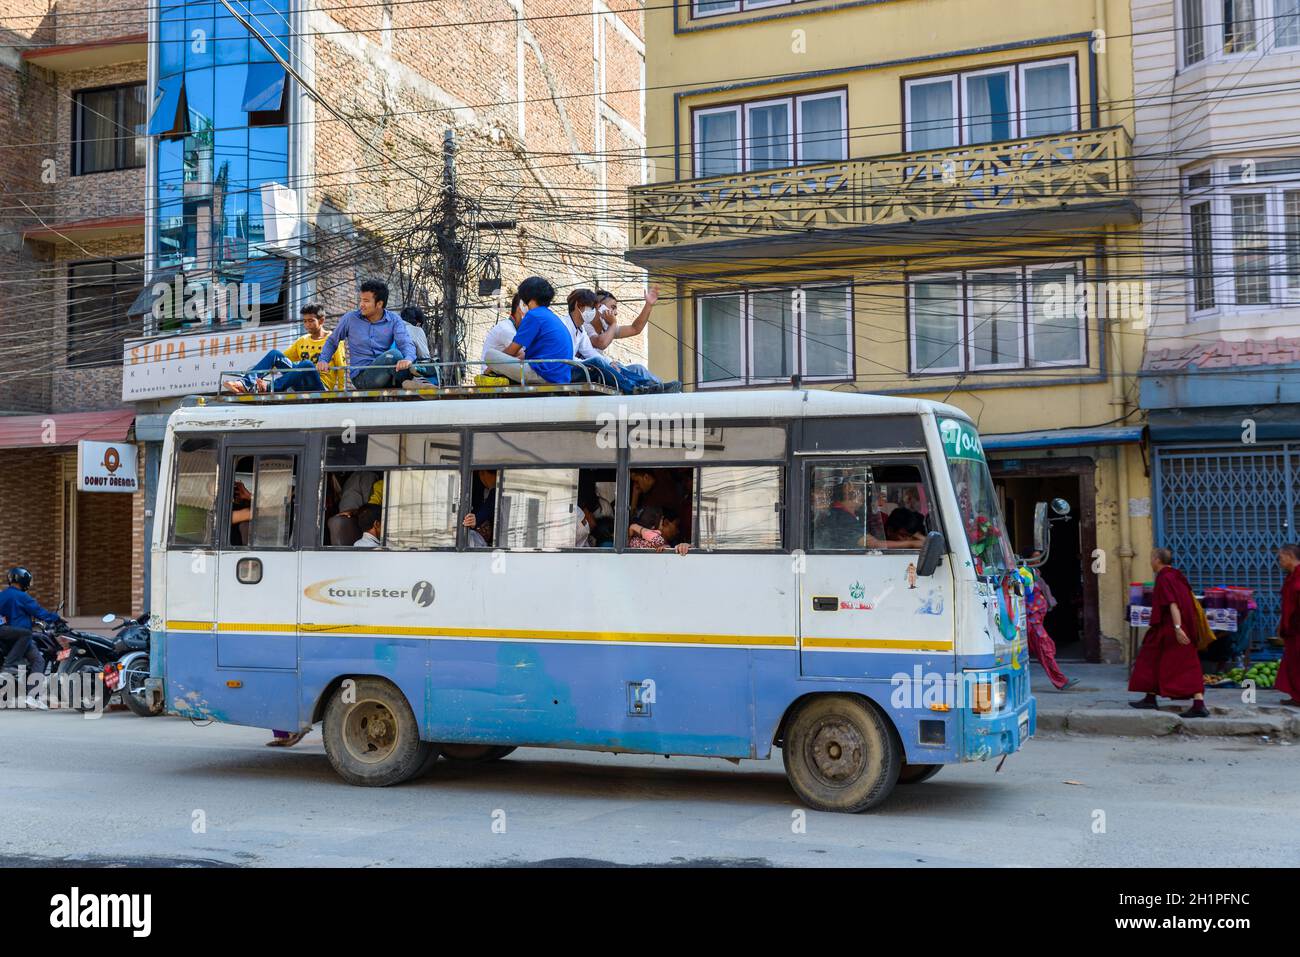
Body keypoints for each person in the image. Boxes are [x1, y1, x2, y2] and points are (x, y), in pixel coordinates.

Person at [1129, 547, 1208, 717]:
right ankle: (1150, 698)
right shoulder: (1177, 575)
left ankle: (1199, 704)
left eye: (1151, 558)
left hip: (1173, 629)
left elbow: (1173, 603)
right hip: (1167, 629)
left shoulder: (1165, 578)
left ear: (1157, 560)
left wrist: (1178, 628)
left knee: (1186, 665)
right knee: (1152, 659)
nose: (1150, 562)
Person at [223, 304, 347, 394]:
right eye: (304, 321)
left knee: (306, 364)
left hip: (320, 387)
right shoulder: (302, 340)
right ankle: (244, 383)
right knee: (275, 354)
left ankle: (270, 387)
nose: (307, 325)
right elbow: (282, 360)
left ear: (321, 320)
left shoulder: (333, 340)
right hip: (299, 383)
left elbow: (341, 367)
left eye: (311, 321)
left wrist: (341, 393)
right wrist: (259, 373)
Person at [317, 279, 418, 389]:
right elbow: (332, 341)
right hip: (362, 378)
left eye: (366, 301)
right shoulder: (350, 318)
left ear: (379, 304)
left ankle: (411, 381)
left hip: (386, 375)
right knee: (393, 355)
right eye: (361, 300)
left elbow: (405, 343)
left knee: (403, 358)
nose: (361, 305)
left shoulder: (394, 320)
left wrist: (408, 359)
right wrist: (323, 360)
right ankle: (412, 381)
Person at [588, 288, 682, 393]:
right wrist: (613, 324)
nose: (616, 313)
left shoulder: (607, 329)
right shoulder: (586, 326)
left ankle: (661, 388)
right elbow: (601, 343)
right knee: (626, 368)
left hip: (605, 369)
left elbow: (635, 329)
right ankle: (659, 390)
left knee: (638, 369)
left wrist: (648, 305)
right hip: (593, 373)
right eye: (613, 308)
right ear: (599, 307)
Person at [497, 276, 575, 384]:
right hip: (560, 376)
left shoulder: (533, 315)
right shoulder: (551, 316)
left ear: (530, 298)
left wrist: (491, 368)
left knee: (490, 355)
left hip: (543, 374)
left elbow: (512, 350)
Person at [565, 289, 643, 393]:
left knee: (611, 363)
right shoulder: (563, 325)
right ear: (578, 306)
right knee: (597, 362)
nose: (594, 311)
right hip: (567, 370)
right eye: (592, 308)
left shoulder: (581, 330)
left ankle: (644, 384)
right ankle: (632, 388)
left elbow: (590, 353)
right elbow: (566, 357)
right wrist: (589, 363)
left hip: (578, 367)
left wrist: (610, 363)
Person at [1020, 565, 1078, 691]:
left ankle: (1060, 681)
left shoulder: (1031, 576)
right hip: (1033, 624)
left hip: (1034, 623)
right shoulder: (1025, 577)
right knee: (1045, 653)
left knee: (1040, 654)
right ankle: (1061, 681)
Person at [0, 567, 62, 674]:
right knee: (38, 661)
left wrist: (32, 623)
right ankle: (32, 689)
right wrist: (56, 618)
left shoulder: (3, 595)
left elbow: (13, 615)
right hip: (19, 637)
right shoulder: (22, 596)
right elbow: (39, 611)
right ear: (24, 580)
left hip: (8, 637)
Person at [480, 292, 528, 383]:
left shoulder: (512, 328)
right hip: (491, 375)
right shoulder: (506, 329)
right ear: (520, 310)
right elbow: (523, 355)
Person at [1276, 543, 1300, 707]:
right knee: (1293, 663)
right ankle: (1297, 696)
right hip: (1292, 628)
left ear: (1290, 556)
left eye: (1281, 557)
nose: (1279, 561)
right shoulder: (1291, 576)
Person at [463, 470, 498, 547]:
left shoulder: (497, 493)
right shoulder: (472, 487)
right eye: (480, 528)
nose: (484, 531)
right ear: (481, 474)